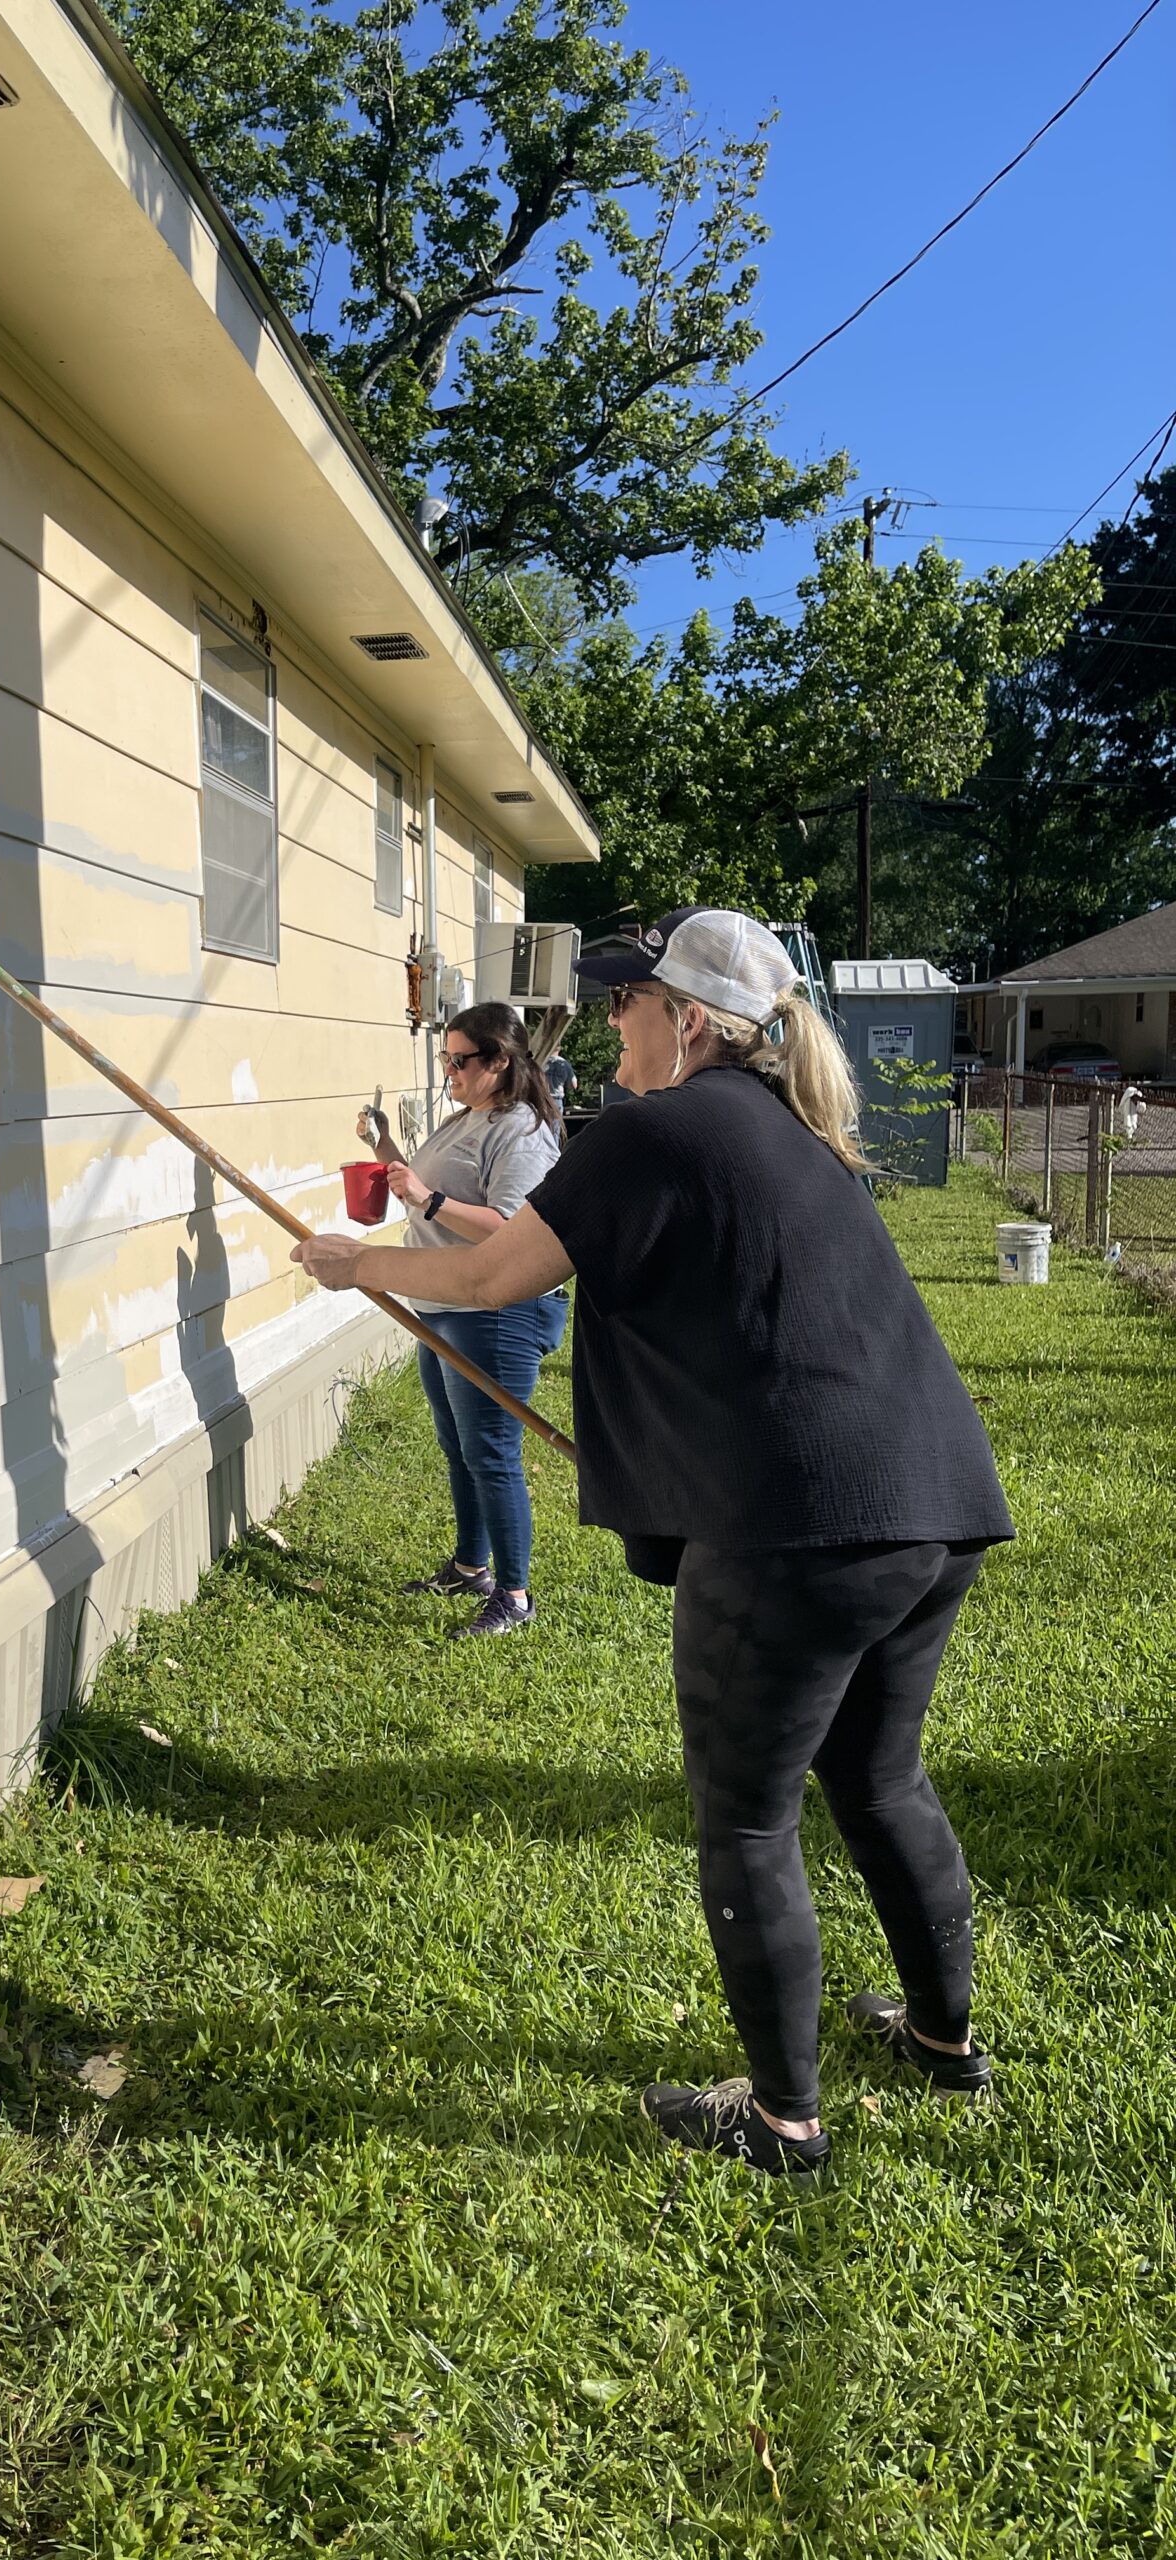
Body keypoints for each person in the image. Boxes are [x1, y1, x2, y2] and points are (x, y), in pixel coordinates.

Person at [298, 909, 1012, 2175]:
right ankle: (947, 2046)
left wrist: (358, 1262)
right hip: (933, 1502)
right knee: (880, 1779)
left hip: (799, 1525)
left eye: (629, 998)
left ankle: (785, 2123)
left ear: (687, 1020)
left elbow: (492, 1275)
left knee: (746, 1820)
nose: (609, 1018)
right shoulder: (800, 1137)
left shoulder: (661, 1128)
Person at [360, 1002, 565, 1640]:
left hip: (494, 1312)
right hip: (445, 1304)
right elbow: (420, 1186)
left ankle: (515, 1593)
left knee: (492, 1453)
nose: (448, 1070)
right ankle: (472, 1566)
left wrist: (432, 1199)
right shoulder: (467, 1118)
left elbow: (512, 1231)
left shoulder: (519, 1130)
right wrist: (384, 1145)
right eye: (445, 1058)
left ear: (500, 1061)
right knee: (459, 1448)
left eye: (459, 1060)